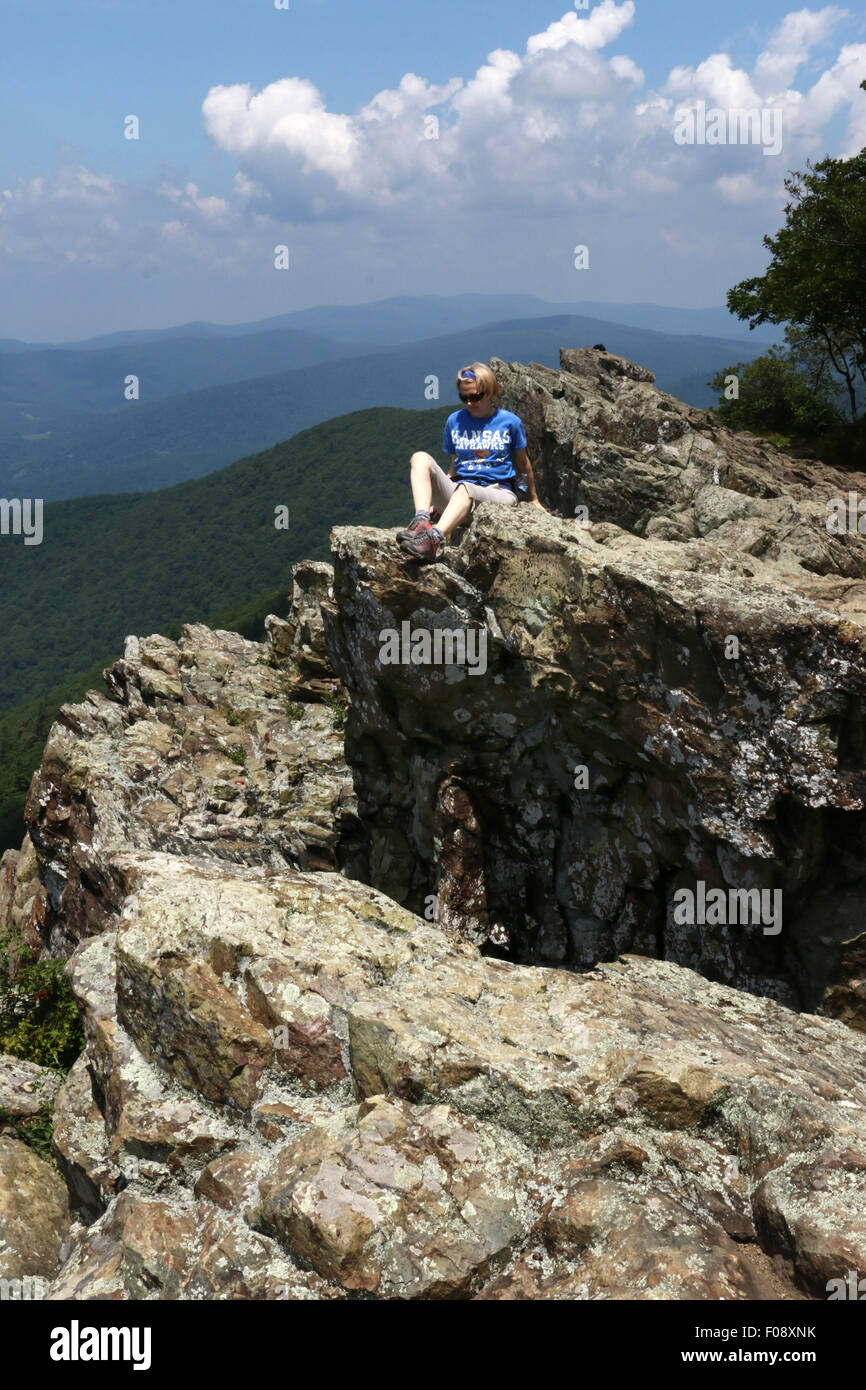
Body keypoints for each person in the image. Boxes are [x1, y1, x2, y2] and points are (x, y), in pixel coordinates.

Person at [397, 361, 545, 561]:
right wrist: (436, 499)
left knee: (465, 488)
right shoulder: (454, 421)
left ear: (490, 392)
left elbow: (522, 463)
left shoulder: (510, 422)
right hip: (461, 493)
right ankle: (421, 523)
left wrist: (533, 498)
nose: (469, 403)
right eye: (463, 397)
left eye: (475, 397)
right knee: (420, 458)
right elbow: (455, 464)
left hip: (498, 493)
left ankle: (432, 540)